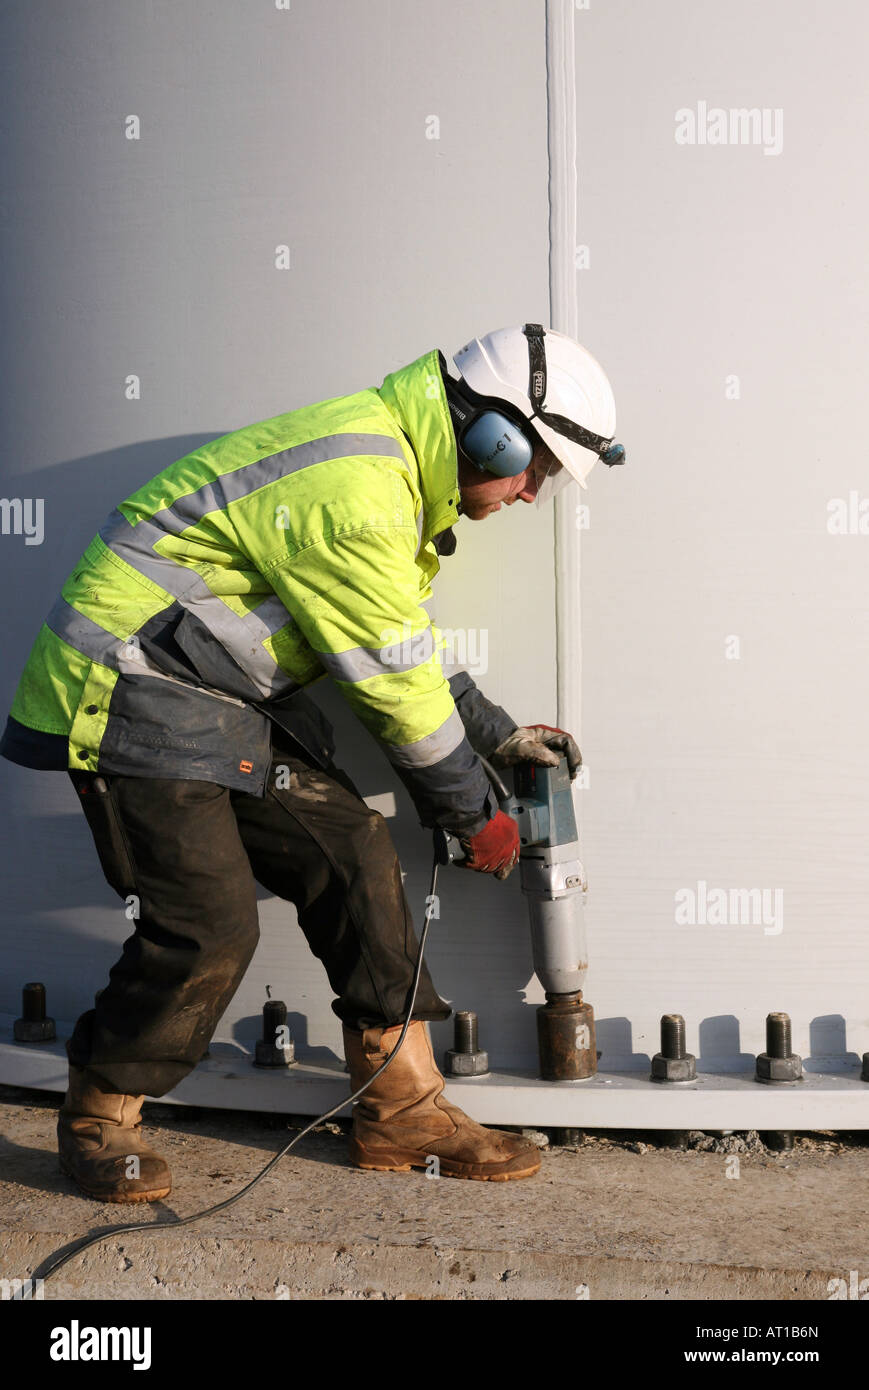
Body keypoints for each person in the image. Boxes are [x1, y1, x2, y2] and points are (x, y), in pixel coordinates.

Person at [0, 323, 623, 1200]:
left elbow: (409, 645)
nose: (528, 494)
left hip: (218, 699)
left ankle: (401, 1109)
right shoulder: (358, 491)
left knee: (356, 851)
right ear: (494, 433)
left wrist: (495, 733)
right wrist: (467, 813)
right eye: (535, 468)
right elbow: (399, 694)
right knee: (209, 924)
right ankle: (102, 1109)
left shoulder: (390, 478)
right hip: (128, 689)